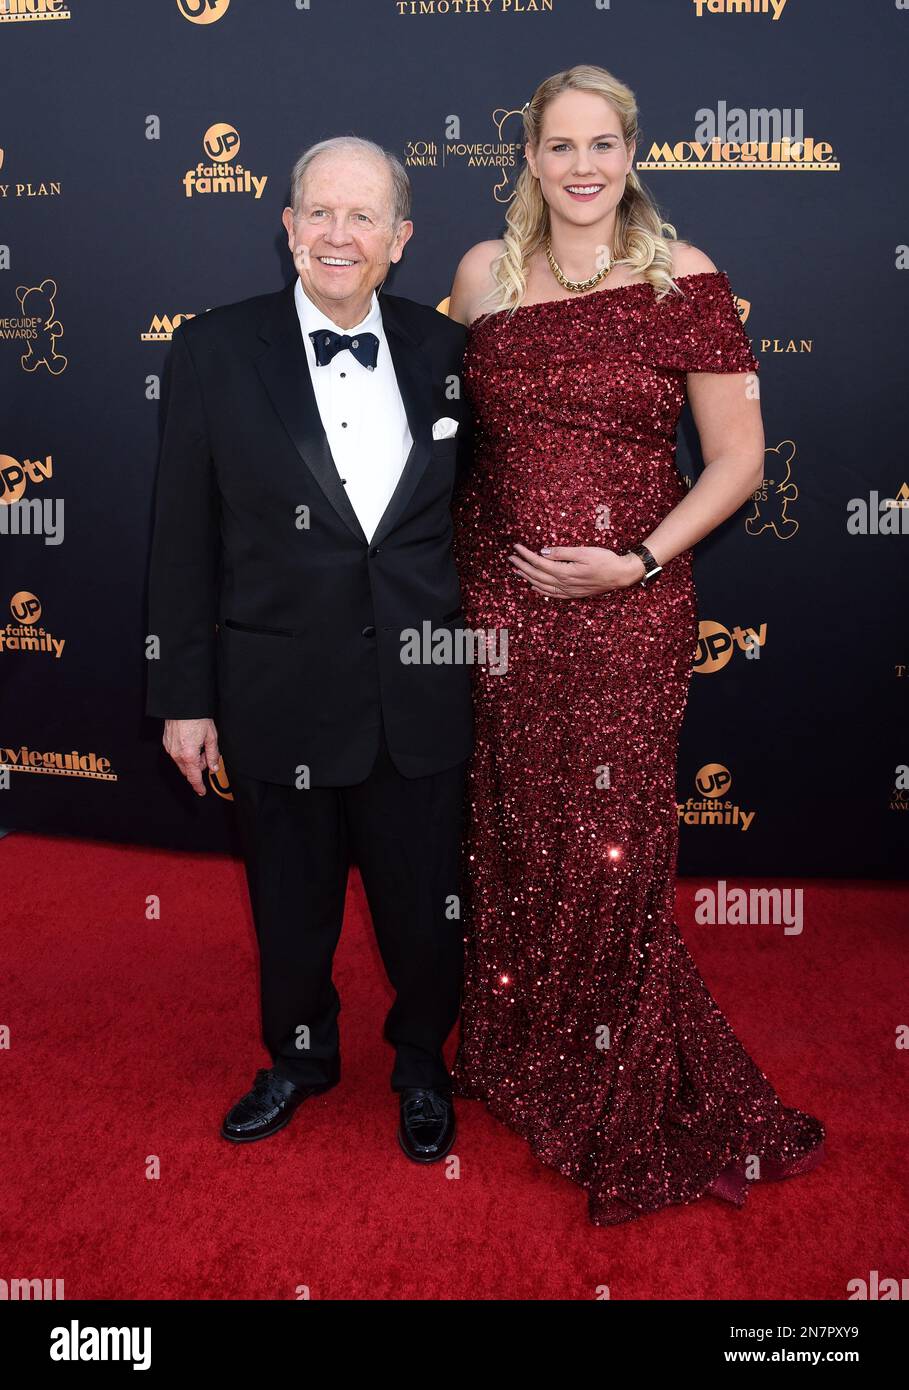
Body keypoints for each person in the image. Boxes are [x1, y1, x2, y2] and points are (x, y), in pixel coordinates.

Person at [447, 65, 826, 1225]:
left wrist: (640, 562)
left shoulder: (685, 277)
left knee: (612, 846)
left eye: (600, 145)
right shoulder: (479, 275)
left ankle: (614, 1068)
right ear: (530, 157)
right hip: (501, 609)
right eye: (558, 147)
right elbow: (444, 446)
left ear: (631, 152)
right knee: (520, 824)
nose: (580, 168)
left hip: (629, 611)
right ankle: (519, 1052)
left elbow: (739, 459)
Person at [146, 136, 473, 1164]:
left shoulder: (447, 354)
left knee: (426, 909)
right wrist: (183, 698)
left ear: (400, 239)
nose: (339, 234)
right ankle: (299, 1059)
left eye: (363, 216)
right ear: (286, 227)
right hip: (275, 689)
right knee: (288, 903)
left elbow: (487, 521)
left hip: (418, 690)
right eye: (318, 213)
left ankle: (424, 1061)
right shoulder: (210, 350)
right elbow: (180, 538)